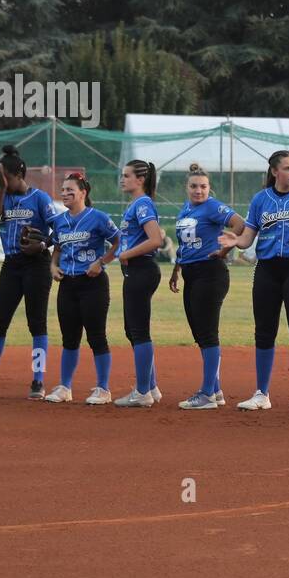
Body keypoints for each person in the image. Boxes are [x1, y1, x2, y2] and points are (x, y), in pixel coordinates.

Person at [220, 150, 289, 412]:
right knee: (264, 331)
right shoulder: (261, 200)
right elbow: (247, 238)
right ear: (274, 172)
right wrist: (235, 241)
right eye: (288, 168)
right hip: (267, 269)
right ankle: (261, 394)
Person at [0, 145, 62, 400]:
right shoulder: (5, 197)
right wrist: (1, 188)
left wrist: (43, 244)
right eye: (0, 180)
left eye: (6, 178)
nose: (4, 182)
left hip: (37, 264)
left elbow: (61, 229)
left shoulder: (40, 198)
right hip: (11, 265)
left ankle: (38, 381)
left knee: (37, 324)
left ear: (19, 174)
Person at [169, 163, 245, 410]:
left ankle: (207, 394)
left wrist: (224, 248)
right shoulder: (185, 209)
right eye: (194, 186)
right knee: (200, 333)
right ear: (186, 188)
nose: (198, 190)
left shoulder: (212, 206)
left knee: (208, 333)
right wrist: (176, 269)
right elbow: (184, 244)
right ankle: (216, 390)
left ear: (209, 188)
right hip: (191, 273)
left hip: (210, 272)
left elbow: (239, 224)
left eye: (203, 186)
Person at [46, 173, 120, 404]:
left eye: (70, 190)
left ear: (83, 193)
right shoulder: (59, 221)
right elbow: (57, 247)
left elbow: (119, 241)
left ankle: (103, 389)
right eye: (63, 190)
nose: (65, 194)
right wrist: (52, 266)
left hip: (93, 284)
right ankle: (64, 387)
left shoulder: (97, 217)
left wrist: (102, 262)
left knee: (96, 336)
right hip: (67, 284)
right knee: (69, 338)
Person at [115, 159, 167, 407]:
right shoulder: (136, 204)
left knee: (138, 331)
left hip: (142, 270)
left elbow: (156, 239)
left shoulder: (143, 203)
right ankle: (152, 387)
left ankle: (143, 392)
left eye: (127, 175)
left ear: (140, 180)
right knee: (132, 330)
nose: (122, 179)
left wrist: (125, 254)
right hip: (137, 271)